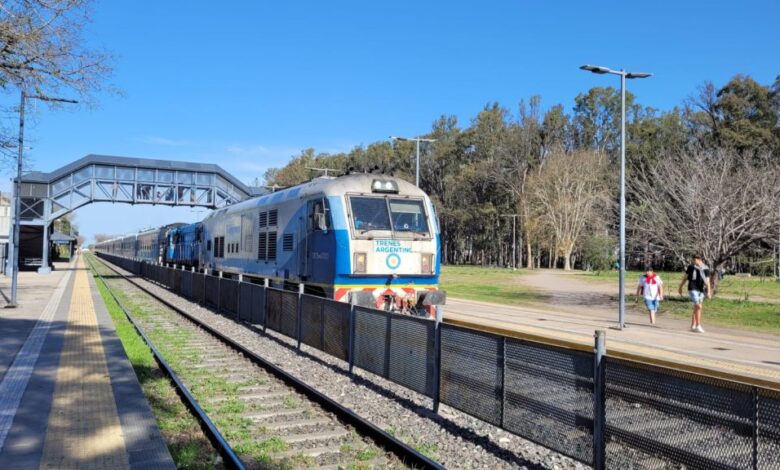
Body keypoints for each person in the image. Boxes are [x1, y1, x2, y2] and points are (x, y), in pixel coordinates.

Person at [678, 255, 711, 333]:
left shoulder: (706, 269)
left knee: (697, 307)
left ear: (700, 260)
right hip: (692, 289)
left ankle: (693, 325)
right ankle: (698, 325)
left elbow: (707, 282)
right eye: (693, 260)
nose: (693, 262)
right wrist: (680, 287)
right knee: (698, 306)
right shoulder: (691, 267)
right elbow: (685, 278)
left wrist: (709, 291)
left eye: (695, 260)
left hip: (701, 290)